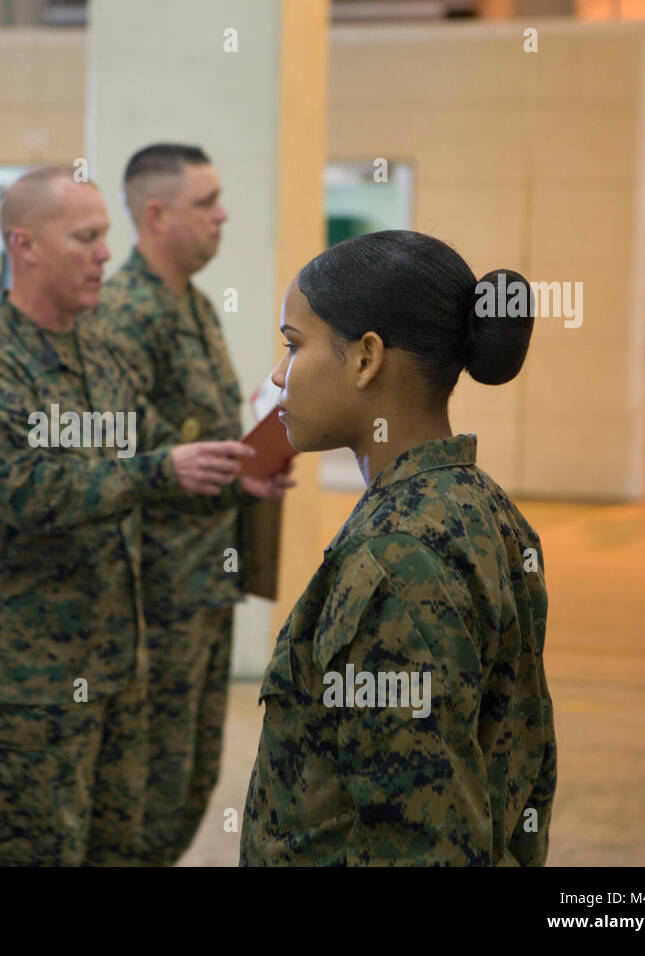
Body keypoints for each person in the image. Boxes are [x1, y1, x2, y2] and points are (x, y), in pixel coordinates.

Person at [0, 165, 257, 866]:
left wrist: (237, 478)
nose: (106, 255)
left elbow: (154, 466)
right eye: (85, 238)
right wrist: (159, 468)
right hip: (26, 677)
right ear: (25, 246)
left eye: (106, 236)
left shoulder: (104, 357)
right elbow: (32, 495)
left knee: (123, 853)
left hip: (115, 661)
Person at [240, 230, 556, 866]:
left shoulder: (395, 561)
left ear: (366, 358)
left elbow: (418, 841)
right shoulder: (483, 508)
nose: (278, 375)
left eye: (293, 346)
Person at [99, 143, 290, 864]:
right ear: (156, 214)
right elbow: (119, 457)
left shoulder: (197, 307)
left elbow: (195, 442)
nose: (223, 214)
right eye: (206, 203)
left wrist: (248, 472)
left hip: (205, 581)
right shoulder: (124, 314)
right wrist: (218, 471)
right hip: (157, 594)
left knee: (192, 778)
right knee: (151, 787)